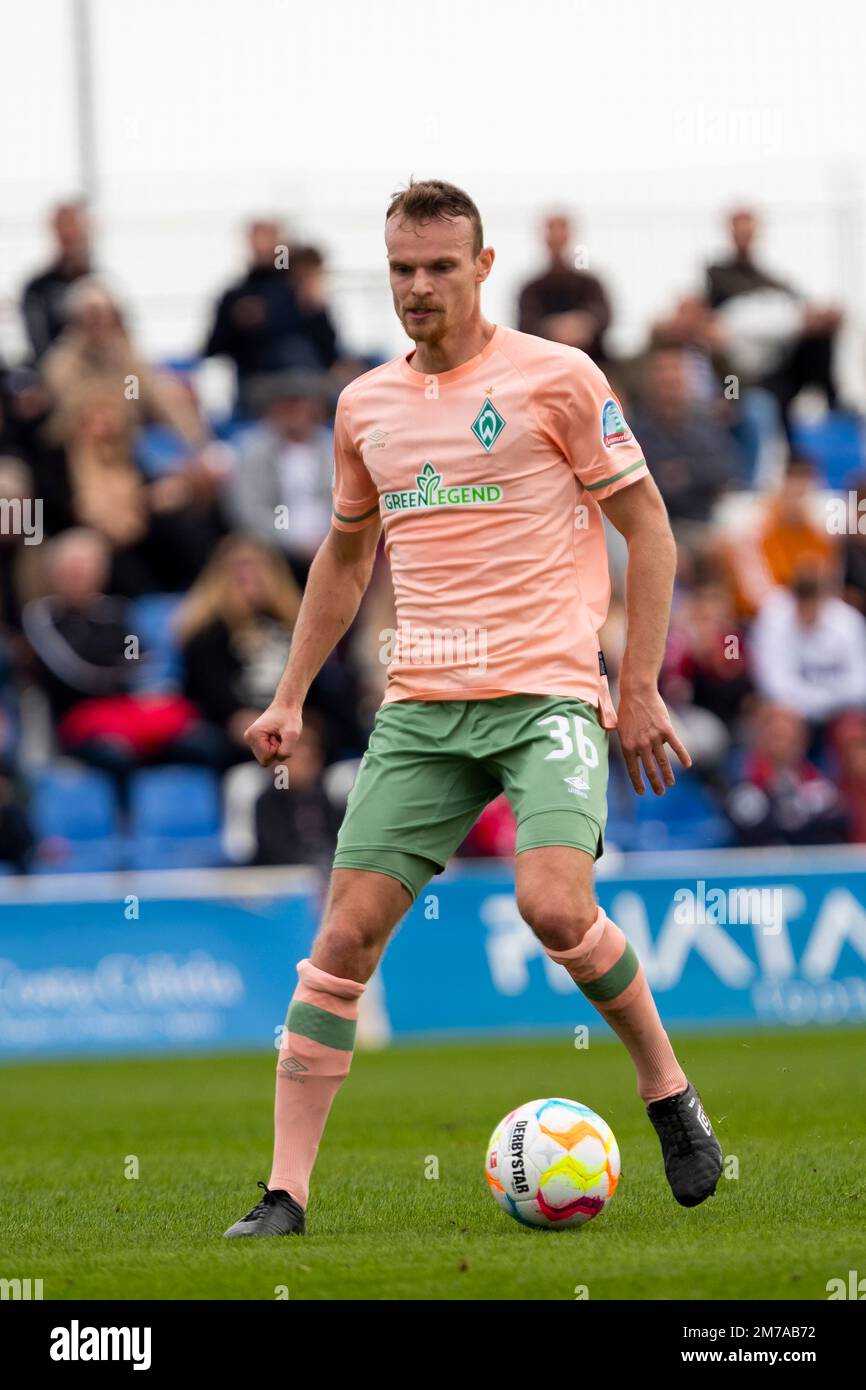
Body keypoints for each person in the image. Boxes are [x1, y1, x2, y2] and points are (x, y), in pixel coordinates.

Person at [223, 178, 723, 1241]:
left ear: (482, 268)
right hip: (419, 708)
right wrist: (289, 694)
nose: (418, 286)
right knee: (341, 939)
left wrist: (633, 689)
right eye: (401, 268)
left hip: (545, 689)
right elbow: (345, 556)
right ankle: (284, 1194)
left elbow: (652, 529)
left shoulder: (556, 378)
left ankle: (668, 1095)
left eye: (439, 267)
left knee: (553, 906)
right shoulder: (364, 406)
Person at [706, 208, 843, 436]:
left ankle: (832, 409)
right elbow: (733, 324)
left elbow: (793, 311)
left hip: (768, 369)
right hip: (732, 373)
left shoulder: (772, 281)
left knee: (818, 344)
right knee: (735, 399)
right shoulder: (717, 277)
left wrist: (810, 320)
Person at [203, 220, 339, 413]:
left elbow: (330, 349)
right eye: (257, 240)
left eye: (269, 239)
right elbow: (212, 348)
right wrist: (236, 323)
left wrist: (314, 310)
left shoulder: (303, 291)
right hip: (261, 386)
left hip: (310, 382)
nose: (263, 247)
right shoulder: (235, 297)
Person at [223, 371, 333, 589]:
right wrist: (291, 542)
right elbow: (247, 510)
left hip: (332, 542)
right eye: (287, 404)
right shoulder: (252, 449)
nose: (294, 411)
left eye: (301, 403)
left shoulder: (334, 446)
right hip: (274, 548)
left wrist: (333, 538)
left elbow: (350, 500)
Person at [630, 345, 745, 525]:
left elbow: (728, 468)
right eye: (661, 371)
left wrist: (688, 472)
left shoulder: (706, 423)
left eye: (675, 369)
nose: (669, 377)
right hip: (653, 523)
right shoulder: (634, 426)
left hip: (701, 520)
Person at [517, 212, 611, 364]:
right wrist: (553, 329)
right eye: (552, 231)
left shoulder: (590, 284)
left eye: (561, 230)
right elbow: (526, 325)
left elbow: (603, 316)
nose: (557, 237)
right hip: (545, 365)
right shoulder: (531, 289)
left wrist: (583, 323)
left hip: (594, 363)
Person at [20, 201, 93, 361]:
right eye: (64, 228)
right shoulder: (38, 289)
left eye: (74, 227)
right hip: (59, 373)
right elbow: (40, 347)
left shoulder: (100, 285)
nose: (70, 233)